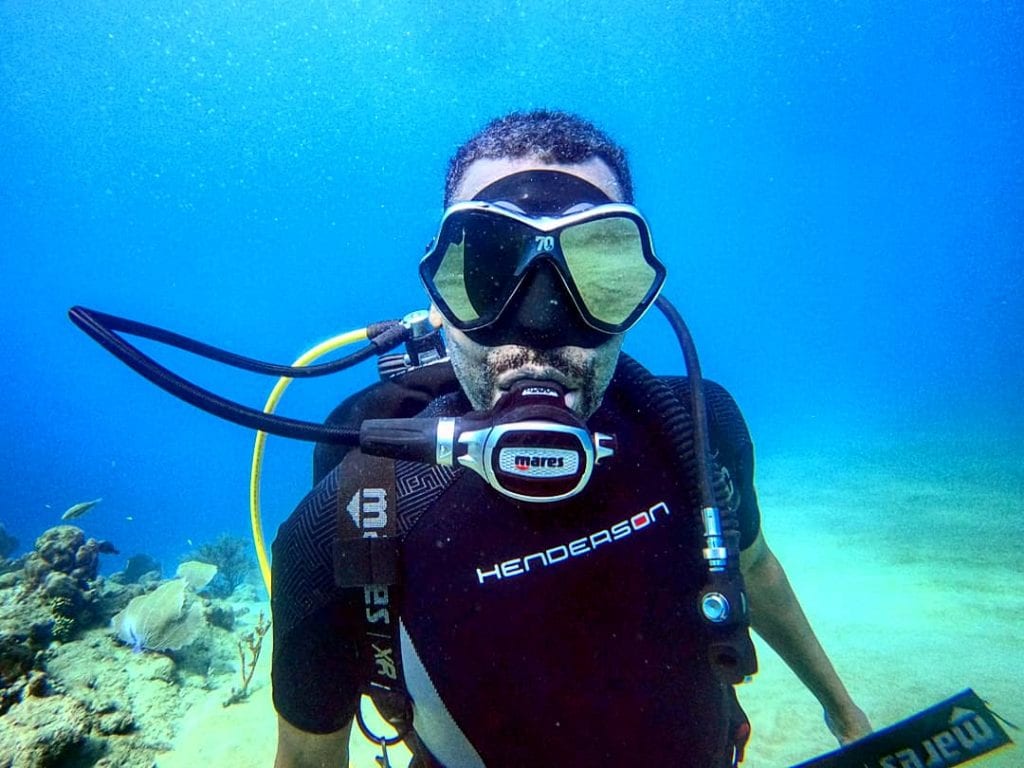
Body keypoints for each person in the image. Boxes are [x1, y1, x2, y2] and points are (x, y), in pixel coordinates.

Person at [271, 110, 872, 767]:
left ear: (638, 301)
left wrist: (849, 720)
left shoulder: (699, 428)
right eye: (490, 273)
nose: (540, 328)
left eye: (597, 275)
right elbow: (307, 758)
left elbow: (754, 570)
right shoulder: (346, 521)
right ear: (440, 303)